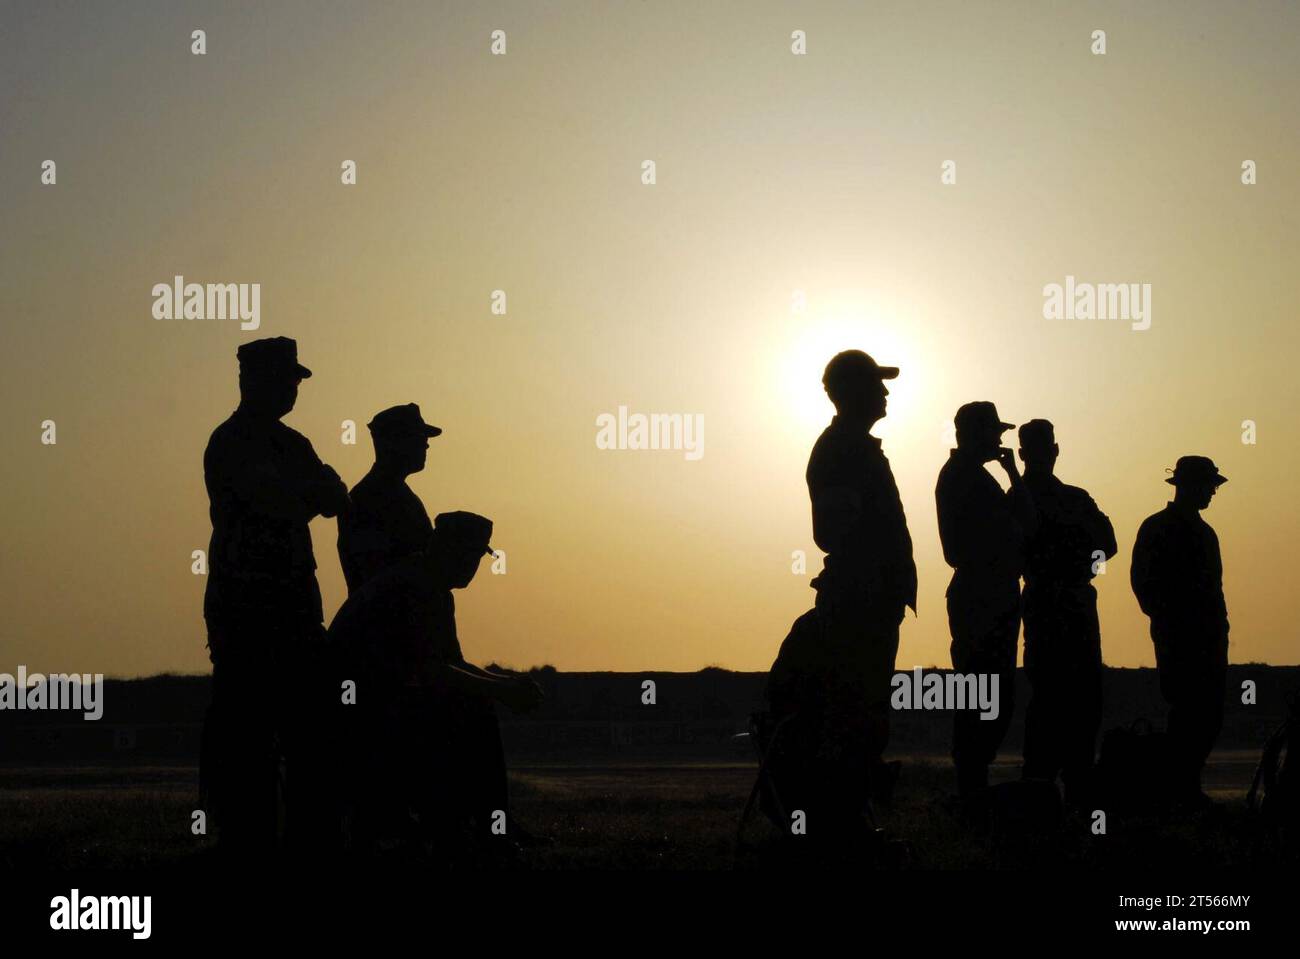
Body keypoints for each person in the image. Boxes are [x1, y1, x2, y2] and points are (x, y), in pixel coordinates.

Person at [201, 336, 349, 857]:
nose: (294, 389)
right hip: (245, 607)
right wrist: (305, 494)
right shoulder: (232, 442)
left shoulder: (293, 444)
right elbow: (278, 502)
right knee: (246, 734)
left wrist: (303, 494)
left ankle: (306, 840)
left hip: (295, 606)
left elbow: (332, 493)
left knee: (310, 731)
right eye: (287, 379)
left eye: (296, 380)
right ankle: (245, 839)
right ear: (254, 382)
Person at [330, 510, 543, 857]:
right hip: (359, 705)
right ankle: (480, 827)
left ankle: (477, 825)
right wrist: (501, 690)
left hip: (376, 697)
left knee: (469, 706)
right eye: (469, 555)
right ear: (446, 549)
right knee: (471, 712)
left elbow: (450, 662)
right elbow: (432, 670)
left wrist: (504, 683)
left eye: (477, 557)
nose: (472, 566)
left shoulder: (428, 584)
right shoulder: (417, 587)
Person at [763, 350, 915, 837]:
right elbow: (835, 531)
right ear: (850, 393)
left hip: (869, 597)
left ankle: (845, 816)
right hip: (859, 600)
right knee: (853, 710)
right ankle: (841, 821)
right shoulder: (843, 450)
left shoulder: (854, 447)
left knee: (861, 710)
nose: (886, 393)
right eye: (876, 385)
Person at [935, 401, 1034, 800]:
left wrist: (1011, 473)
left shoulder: (976, 476)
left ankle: (972, 788)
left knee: (992, 693)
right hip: (980, 596)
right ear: (975, 435)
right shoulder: (964, 478)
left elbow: (1025, 522)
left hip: (992, 594)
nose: (998, 440)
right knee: (982, 694)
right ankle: (970, 792)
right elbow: (1021, 525)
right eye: (993, 433)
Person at [1016, 419, 1116, 805]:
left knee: (1082, 698)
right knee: (1050, 697)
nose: (1044, 455)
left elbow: (1106, 544)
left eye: (1046, 448)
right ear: (1026, 454)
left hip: (1071, 601)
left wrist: (1077, 564)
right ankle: (1040, 789)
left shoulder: (1074, 497)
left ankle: (1072, 787)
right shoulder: (1022, 499)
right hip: (1048, 603)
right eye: (1037, 449)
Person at [1130, 455, 1230, 806]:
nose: (1211, 494)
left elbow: (1214, 590)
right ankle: (1180, 787)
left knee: (1207, 712)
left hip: (1208, 637)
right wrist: (1170, 620)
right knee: (1189, 709)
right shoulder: (1158, 529)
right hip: (1181, 638)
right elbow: (1144, 585)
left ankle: (1185, 784)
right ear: (1190, 487)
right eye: (1208, 486)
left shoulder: (1204, 533)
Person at [337, 403, 441, 594]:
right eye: (419, 437)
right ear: (394, 442)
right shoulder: (370, 498)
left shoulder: (399, 495)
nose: (426, 444)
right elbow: (379, 571)